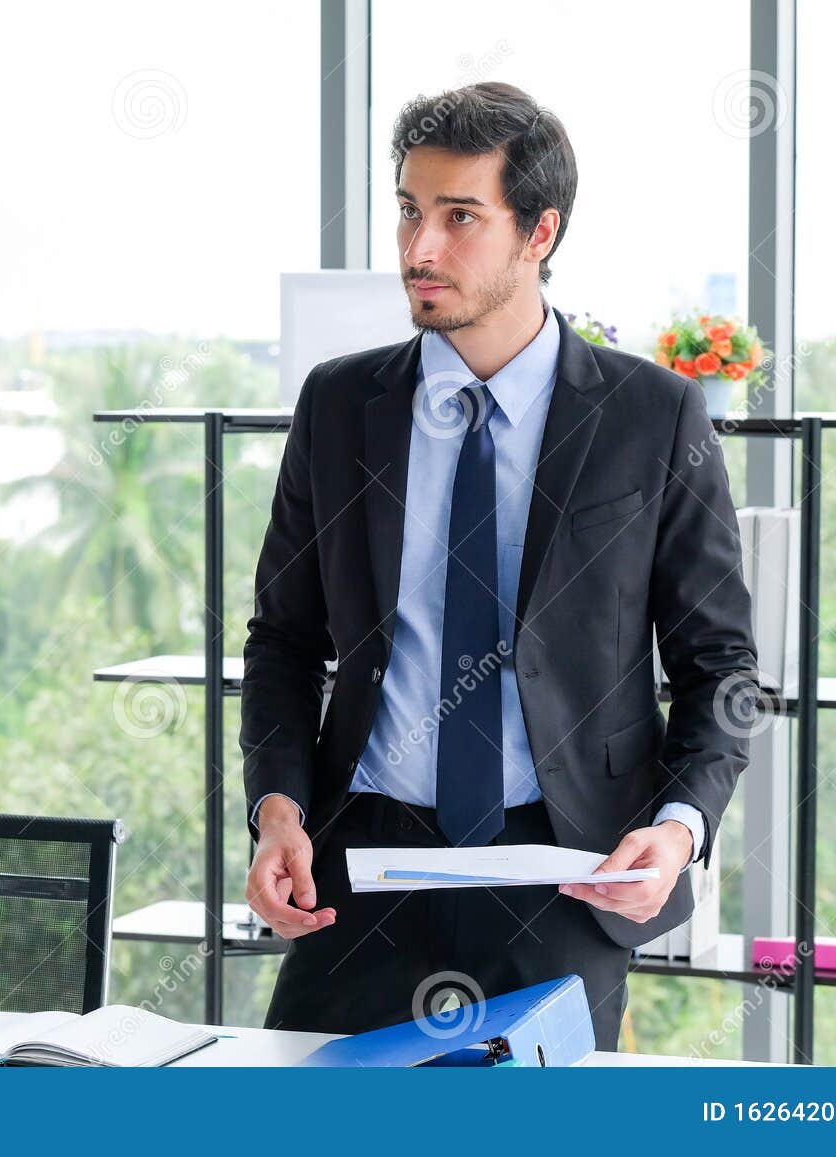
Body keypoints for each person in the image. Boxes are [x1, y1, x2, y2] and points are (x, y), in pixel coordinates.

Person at [239, 81, 759, 1051]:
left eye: (459, 217)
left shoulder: (652, 416)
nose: (419, 248)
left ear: (538, 232)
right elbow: (283, 641)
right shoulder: (339, 405)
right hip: (359, 869)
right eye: (408, 211)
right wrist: (276, 808)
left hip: (564, 874)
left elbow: (720, 664)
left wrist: (680, 825)